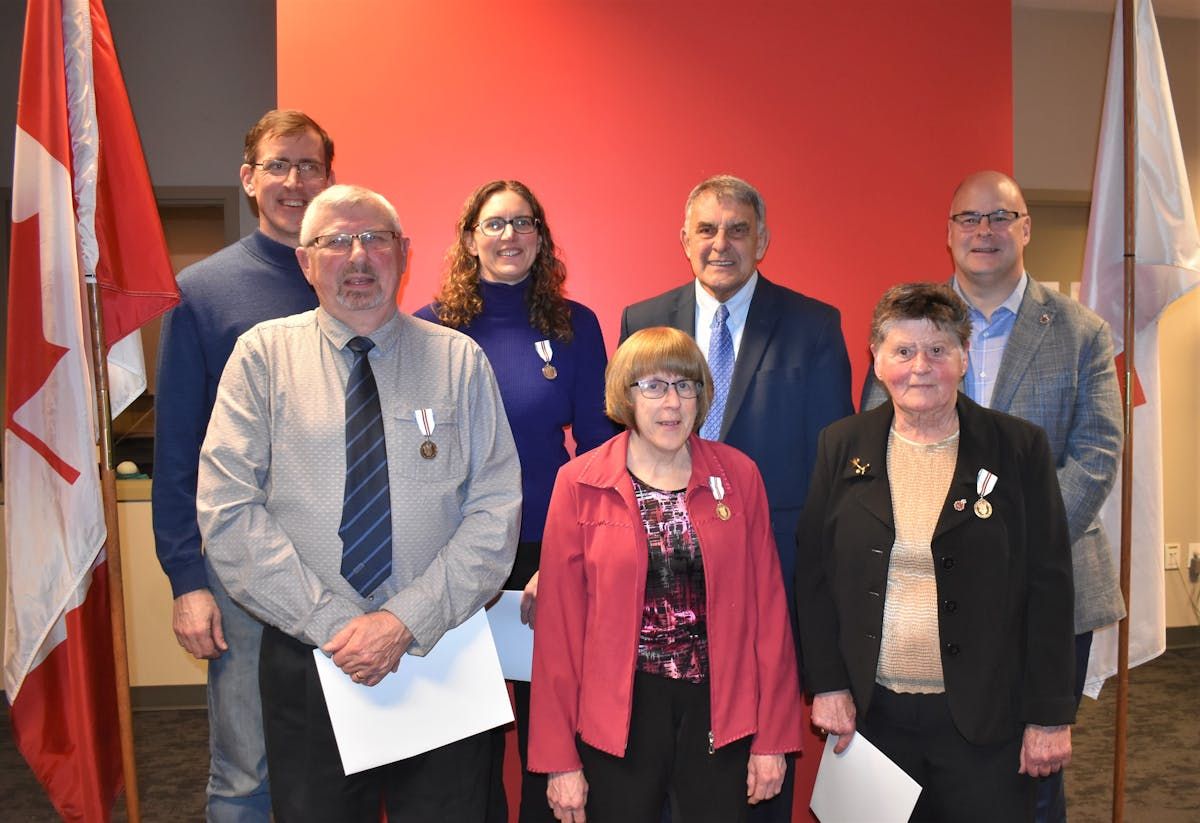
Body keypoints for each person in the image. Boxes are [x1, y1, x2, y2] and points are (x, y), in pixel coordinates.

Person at [196, 184, 522, 822]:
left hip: (440, 650)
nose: (358, 257)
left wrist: (404, 622)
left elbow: (495, 510)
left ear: (403, 253)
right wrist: (335, 628)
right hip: (311, 654)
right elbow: (228, 512)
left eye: (375, 239)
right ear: (305, 262)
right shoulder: (261, 358)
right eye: (336, 242)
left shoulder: (459, 361)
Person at [861, 170, 1124, 822]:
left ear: (1025, 228)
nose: (985, 231)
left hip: (1045, 588)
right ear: (948, 234)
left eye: (1000, 217)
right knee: (924, 778)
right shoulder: (908, 325)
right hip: (924, 594)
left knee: (1030, 774)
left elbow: (1096, 454)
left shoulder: (1082, 331)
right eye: (969, 219)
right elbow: (874, 450)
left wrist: (1010, 547)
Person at [799, 283, 1076, 822]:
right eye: (903, 351)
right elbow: (814, 576)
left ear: (964, 358)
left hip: (983, 720)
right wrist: (827, 685)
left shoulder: (1018, 448)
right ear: (876, 359)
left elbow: (1050, 585)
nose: (920, 366)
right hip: (872, 716)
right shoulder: (842, 445)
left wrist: (1048, 716)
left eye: (938, 350)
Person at [620, 174, 851, 819]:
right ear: (684, 240)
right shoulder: (643, 320)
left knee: (757, 770)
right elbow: (629, 450)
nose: (722, 244)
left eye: (739, 230)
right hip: (659, 587)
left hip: (765, 578)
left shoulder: (813, 326)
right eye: (707, 229)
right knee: (659, 768)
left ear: (763, 241)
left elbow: (828, 473)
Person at [529, 327, 802, 823]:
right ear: (625, 397)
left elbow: (770, 615)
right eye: (653, 386)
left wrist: (775, 737)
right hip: (619, 715)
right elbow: (557, 633)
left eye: (685, 384)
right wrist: (558, 760)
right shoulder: (579, 484)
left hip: (720, 711)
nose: (672, 401)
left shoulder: (740, 477)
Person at [415, 179, 616, 822]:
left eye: (524, 223)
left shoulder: (574, 325)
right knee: (461, 730)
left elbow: (599, 447)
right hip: (453, 549)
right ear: (471, 238)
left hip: (544, 543)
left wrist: (563, 555)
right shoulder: (429, 328)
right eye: (495, 223)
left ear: (541, 238)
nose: (510, 235)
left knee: (548, 724)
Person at [152, 109, 334, 821]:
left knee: (332, 766)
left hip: (338, 566)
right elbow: (178, 450)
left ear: (328, 176)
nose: (294, 180)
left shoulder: (353, 279)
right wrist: (186, 579)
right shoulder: (203, 290)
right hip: (240, 569)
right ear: (249, 178)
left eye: (310, 166)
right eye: (279, 165)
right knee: (244, 768)